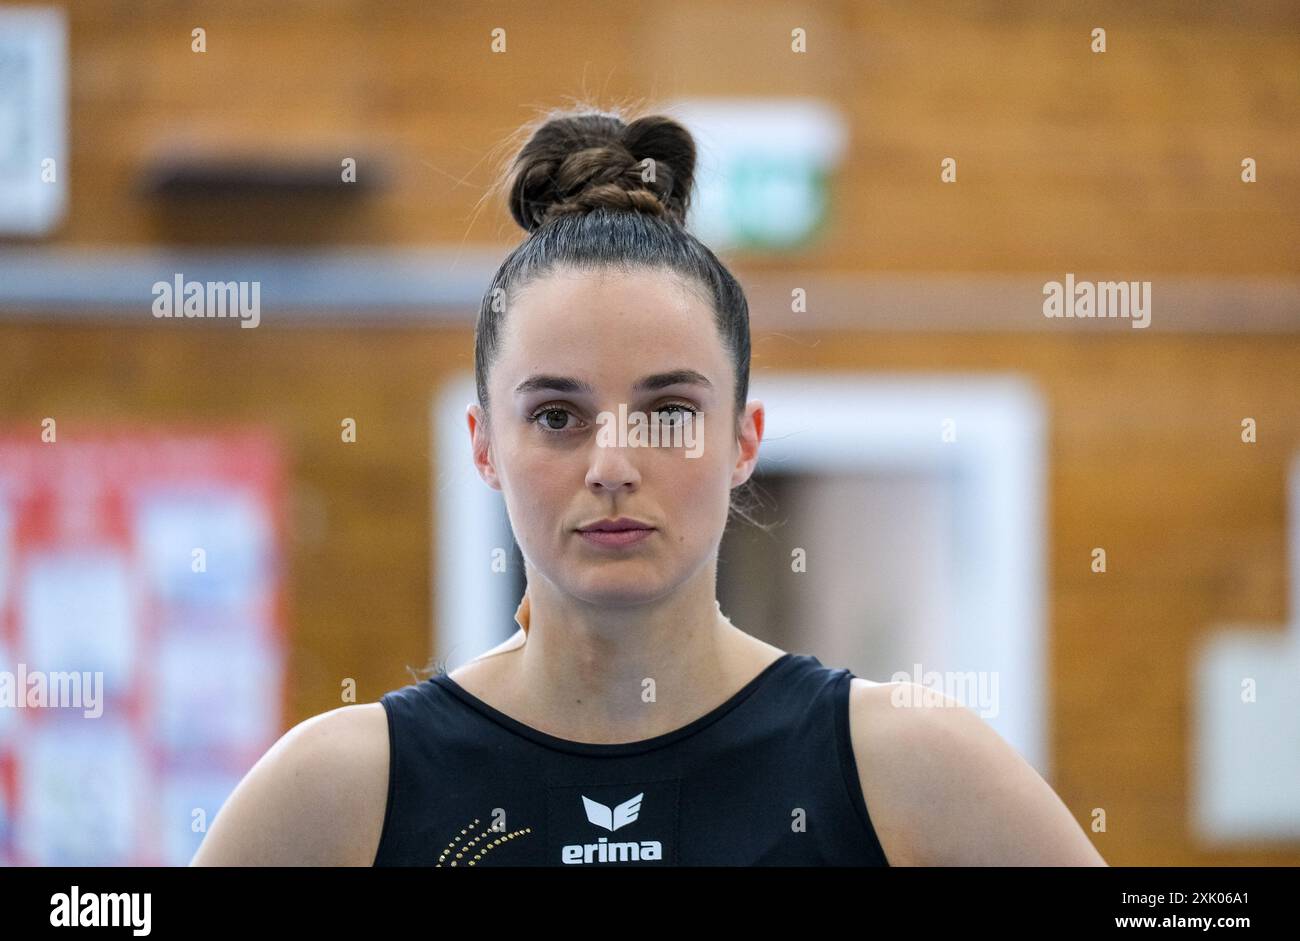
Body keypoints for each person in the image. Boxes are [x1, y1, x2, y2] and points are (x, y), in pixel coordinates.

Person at [191, 106, 1106, 867]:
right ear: (482, 447)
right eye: (557, 415)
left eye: (668, 409)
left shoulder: (904, 764)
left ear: (744, 440)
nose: (613, 463)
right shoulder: (344, 790)